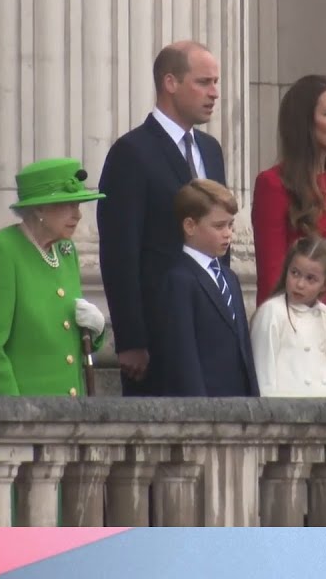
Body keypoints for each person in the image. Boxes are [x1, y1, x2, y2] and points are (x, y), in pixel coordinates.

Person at [98, 40, 229, 396]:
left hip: (212, 329)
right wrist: (130, 339)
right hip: (159, 334)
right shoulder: (131, 153)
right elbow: (119, 253)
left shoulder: (211, 151)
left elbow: (221, 239)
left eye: (216, 82)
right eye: (204, 82)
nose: (214, 93)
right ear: (170, 82)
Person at [252, 74, 326, 382]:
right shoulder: (273, 184)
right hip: (305, 318)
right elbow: (272, 273)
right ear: (305, 123)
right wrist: (278, 330)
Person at [0, 158, 108, 397]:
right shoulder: (2, 250)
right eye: (68, 205)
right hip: (27, 410)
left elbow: (65, 332)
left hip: (69, 406)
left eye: (78, 205)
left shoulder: (66, 251)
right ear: (39, 209)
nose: (78, 216)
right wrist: (14, 414)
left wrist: (95, 333)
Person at [154, 179, 258, 397]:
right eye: (219, 226)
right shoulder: (179, 280)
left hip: (238, 402)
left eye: (230, 225)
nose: (228, 233)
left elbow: (243, 348)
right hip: (205, 405)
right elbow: (184, 355)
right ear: (190, 226)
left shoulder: (229, 278)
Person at [249, 235, 326, 397]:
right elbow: (262, 377)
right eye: (295, 273)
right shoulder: (273, 312)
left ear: (325, 285)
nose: (299, 284)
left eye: (310, 279)